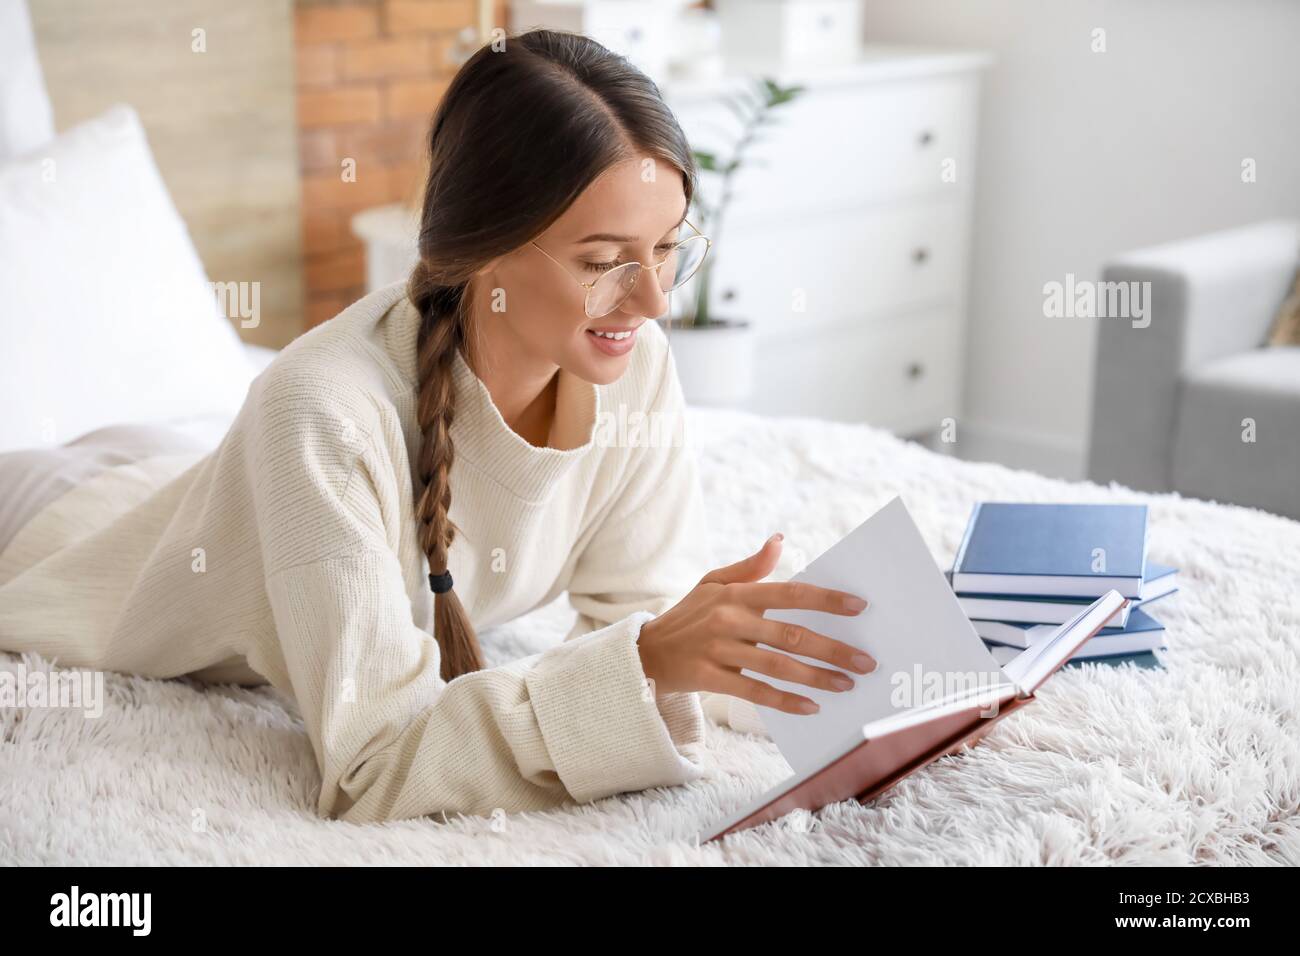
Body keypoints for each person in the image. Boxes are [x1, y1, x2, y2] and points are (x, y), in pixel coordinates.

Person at [0, 28, 874, 824]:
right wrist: (643, 668)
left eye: (669, 249)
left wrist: (832, 672)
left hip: (170, 470)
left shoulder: (628, 361)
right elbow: (373, 763)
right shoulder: (321, 411)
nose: (650, 301)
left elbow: (639, 615)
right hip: (52, 519)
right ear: (484, 249)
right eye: (605, 262)